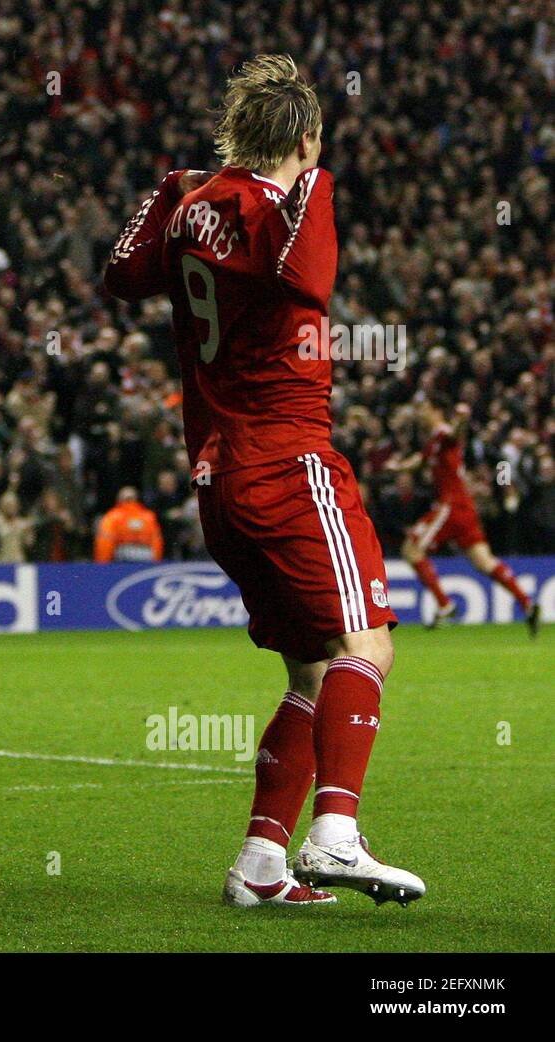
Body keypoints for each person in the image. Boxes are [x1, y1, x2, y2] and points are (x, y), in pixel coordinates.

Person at [105, 54, 424, 908]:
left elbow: (120, 277)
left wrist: (165, 193)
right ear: (307, 136)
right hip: (289, 461)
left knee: (311, 674)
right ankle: (337, 836)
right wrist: (315, 183)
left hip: (218, 475)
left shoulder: (195, 204)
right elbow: (310, 283)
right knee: (369, 647)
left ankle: (258, 865)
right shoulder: (279, 206)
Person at [392, 394, 539, 635]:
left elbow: (455, 434)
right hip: (465, 507)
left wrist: (462, 418)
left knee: (411, 548)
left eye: (424, 409)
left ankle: (444, 603)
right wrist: (399, 467)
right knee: (484, 561)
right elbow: (420, 460)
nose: (420, 414)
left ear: (437, 411)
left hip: (450, 506)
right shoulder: (434, 441)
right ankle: (527, 603)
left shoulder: (444, 434)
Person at [93, 487, 164, 562]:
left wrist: (103, 563)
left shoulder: (112, 516)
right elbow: (157, 540)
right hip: (147, 555)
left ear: (119, 499)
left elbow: (105, 541)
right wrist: (156, 561)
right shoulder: (149, 516)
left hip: (121, 556)